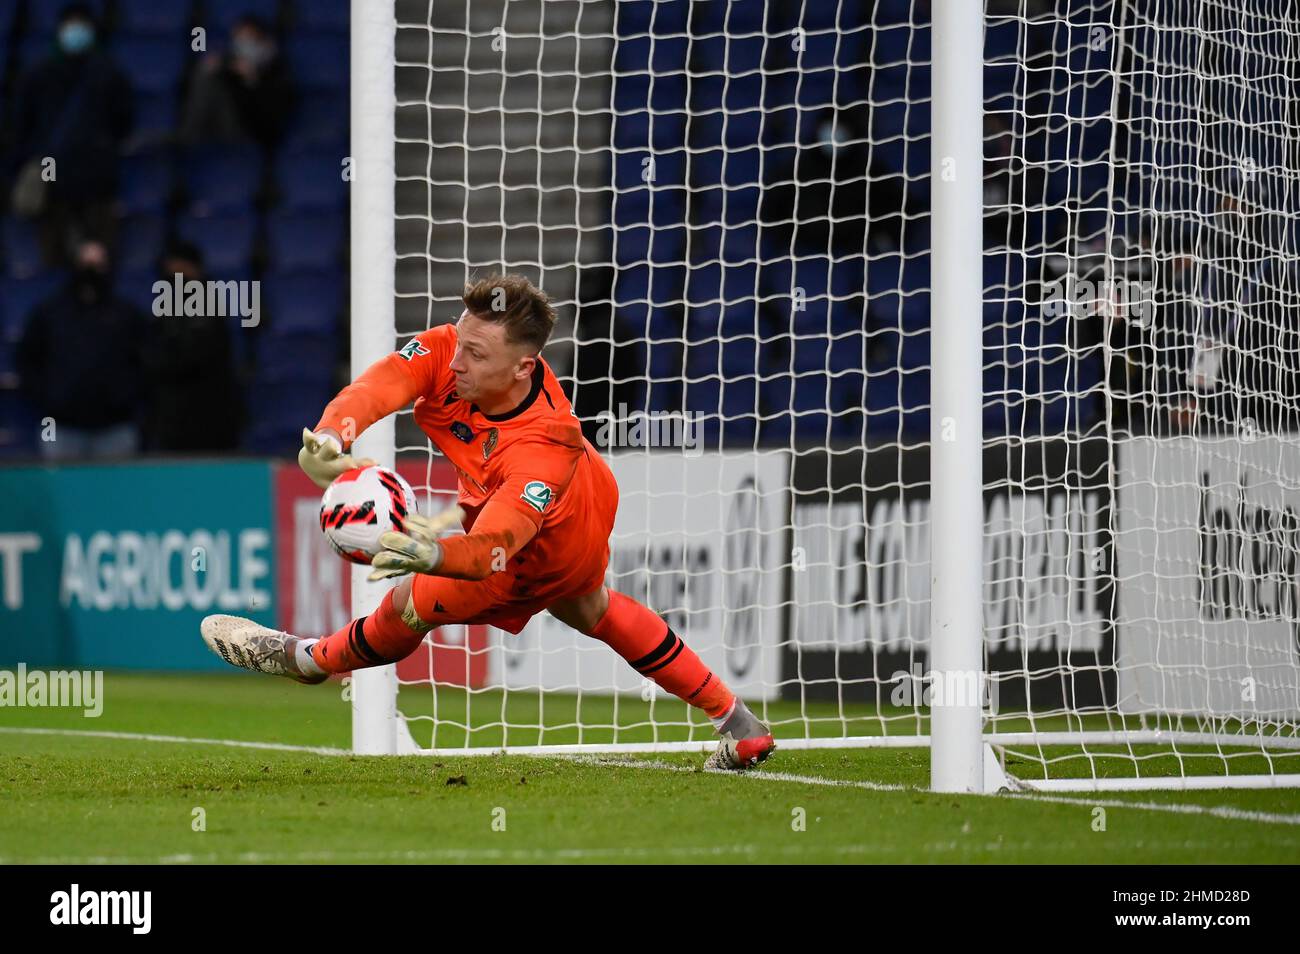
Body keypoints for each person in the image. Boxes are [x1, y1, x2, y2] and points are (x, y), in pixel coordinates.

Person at [198, 275, 776, 771]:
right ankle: (738, 721)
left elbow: (495, 547)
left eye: (476, 355)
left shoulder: (541, 448)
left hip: (542, 539)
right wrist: (332, 433)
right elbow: (383, 384)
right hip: (582, 488)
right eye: (461, 344)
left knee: (408, 604)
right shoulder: (457, 349)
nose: (456, 362)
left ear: (525, 367)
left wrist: (435, 557)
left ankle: (311, 661)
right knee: (591, 608)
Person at [7, 4, 133, 262]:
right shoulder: (38, 75)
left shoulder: (109, 75)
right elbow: (21, 126)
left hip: (96, 180)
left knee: (99, 258)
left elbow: (123, 121)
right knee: (54, 258)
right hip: (58, 180)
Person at [16, 240, 146, 458]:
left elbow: (147, 360)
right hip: (60, 428)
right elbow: (26, 360)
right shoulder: (49, 313)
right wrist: (50, 397)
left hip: (116, 428)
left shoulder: (127, 314)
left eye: (98, 264)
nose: (91, 272)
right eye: (85, 264)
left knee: (119, 492)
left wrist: (127, 395)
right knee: (60, 491)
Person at [141, 241, 243, 452]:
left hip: (208, 416)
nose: (174, 274)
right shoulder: (165, 307)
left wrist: (161, 362)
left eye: (179, 267)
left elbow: (195, 356)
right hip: (172, 418)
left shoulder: (208, 306)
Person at [179, 15, 295, 150]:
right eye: (239, 39)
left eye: (248, 39)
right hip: (226, 126)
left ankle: (187, 137)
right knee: (205, 77)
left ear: (263, 40)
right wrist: (219, 67)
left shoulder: (278, 70)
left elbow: (274, 114)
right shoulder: (230, 63)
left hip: (258, 131)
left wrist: (253, 81)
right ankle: (188, 137)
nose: (243, 45)